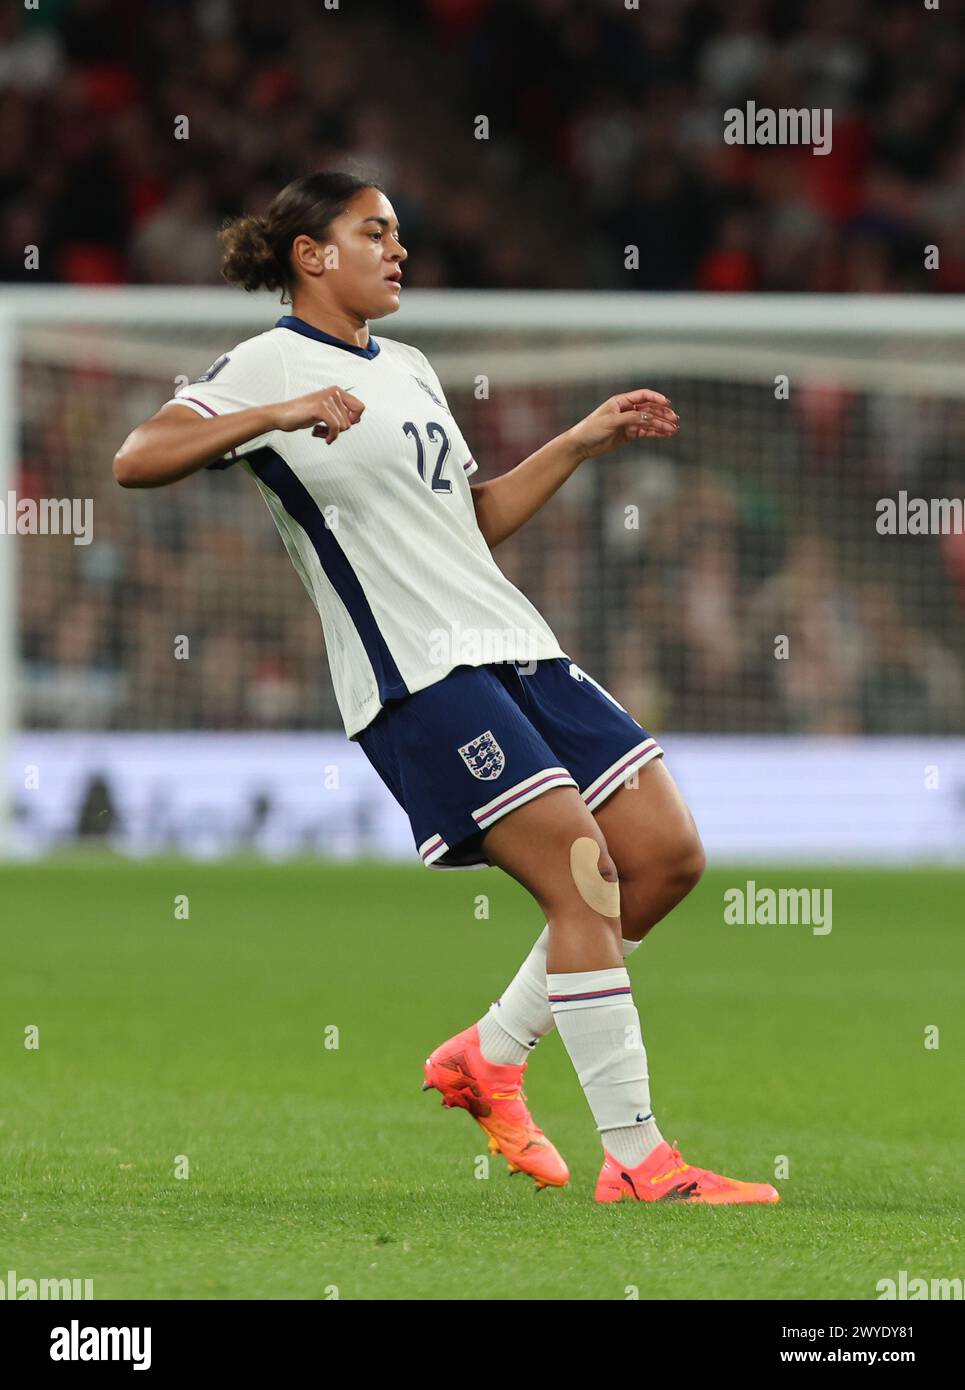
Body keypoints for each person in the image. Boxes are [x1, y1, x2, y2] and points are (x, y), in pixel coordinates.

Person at [113, 171, 778, 1206]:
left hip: (514, 644)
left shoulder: (411, 366)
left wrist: (575, 441)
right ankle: (640, 1160)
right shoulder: (266, 362)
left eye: (397, 233)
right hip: (415, 669)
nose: (397, 249)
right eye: (372, 232)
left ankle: (489, 1054)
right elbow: (135, 457)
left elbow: (468, 521)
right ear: (310, 255)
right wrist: (274, 412)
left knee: (661, 857)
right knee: (581, 873)